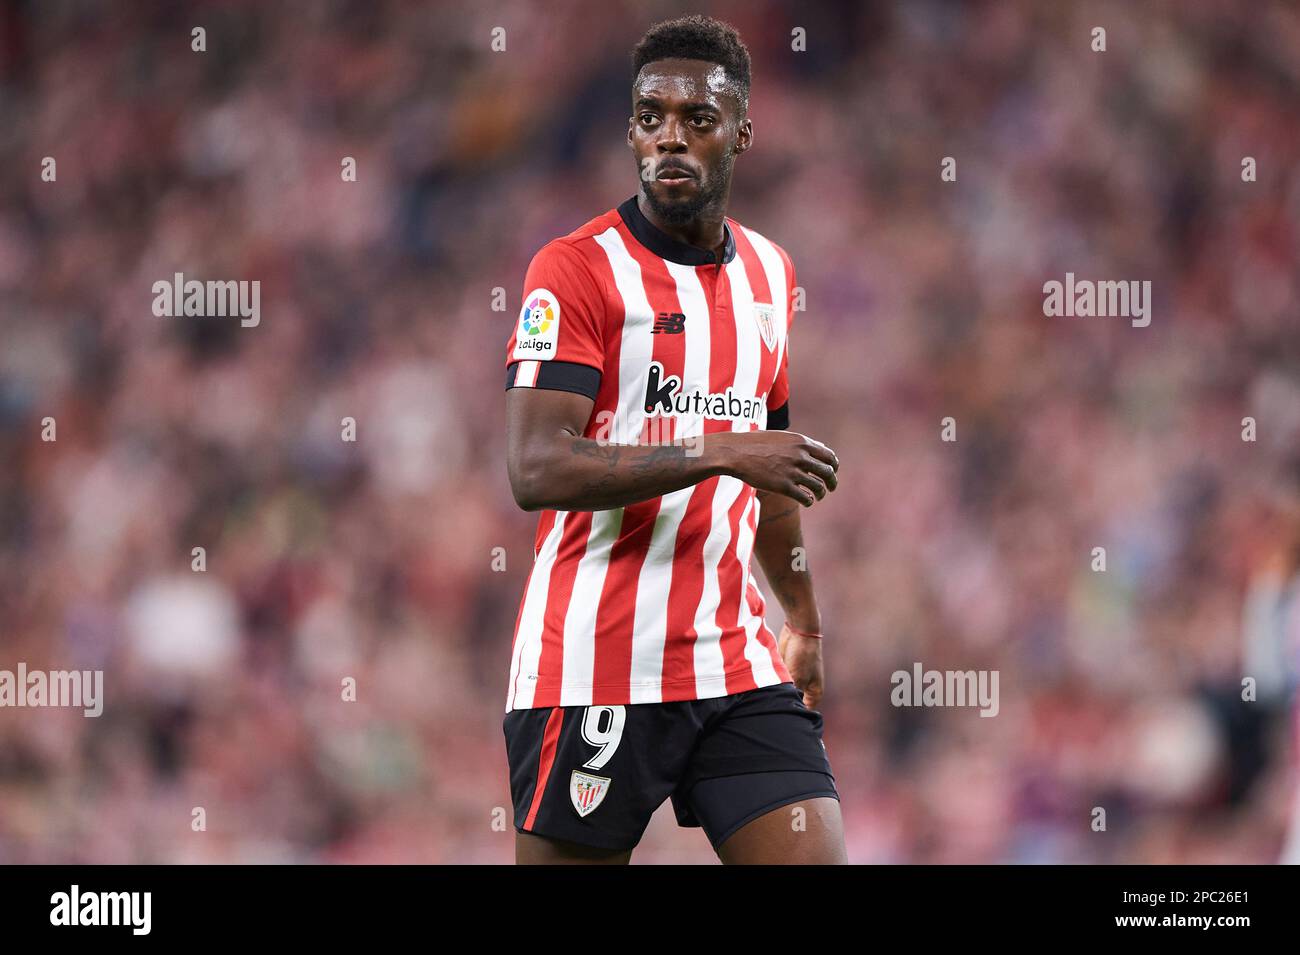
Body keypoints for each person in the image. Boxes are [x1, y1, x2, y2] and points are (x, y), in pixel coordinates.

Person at [502, 15, 845, 864]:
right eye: (651, 117)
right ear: (629, 130)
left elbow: (770, 467)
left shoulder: (772, 273)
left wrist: (801, 615)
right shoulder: (574, 270)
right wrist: (716, 449)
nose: (671, 138)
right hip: (593, 666)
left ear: (742, 133)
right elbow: (535, 467)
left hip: (735, 662)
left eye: (698, 119)